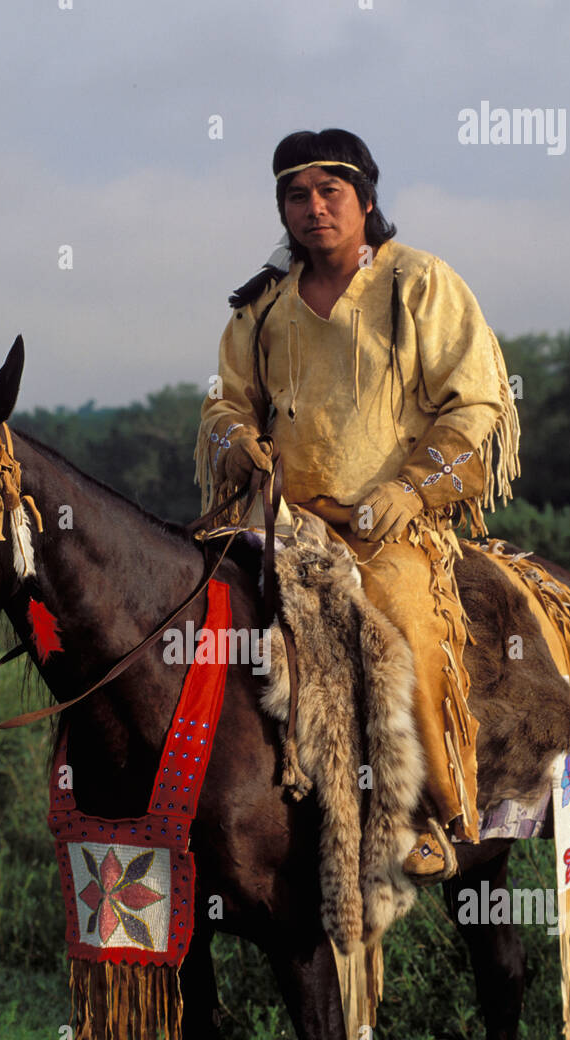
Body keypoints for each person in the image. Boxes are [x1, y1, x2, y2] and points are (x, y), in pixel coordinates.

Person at [195, 128, 521, 881]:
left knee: (406, 615)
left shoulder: (421, 283)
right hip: (280, 522)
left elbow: (477, 403)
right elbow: (223, 401)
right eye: (296, 196)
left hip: (394, 522)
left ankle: (441, 811)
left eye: (329, 192)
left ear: (366, 200)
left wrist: (413, 488)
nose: (313, 209)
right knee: (189, 601)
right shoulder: (260, 307)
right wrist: (238, 439)